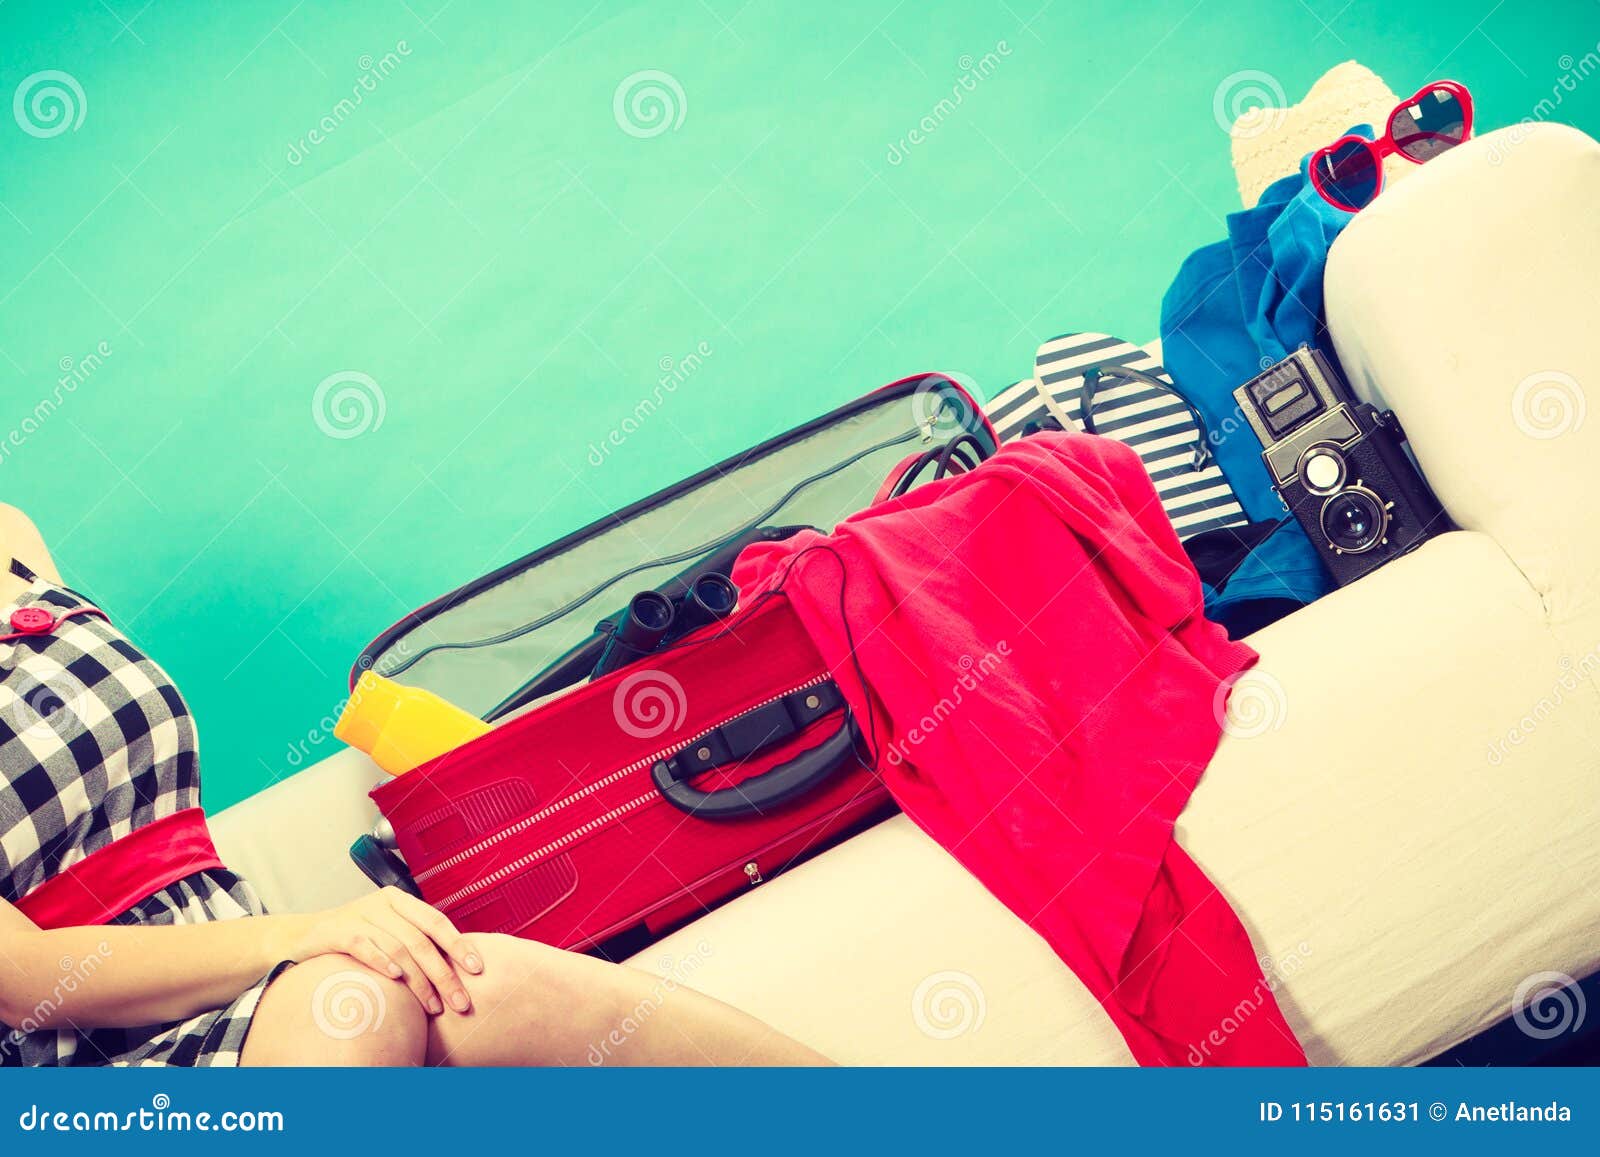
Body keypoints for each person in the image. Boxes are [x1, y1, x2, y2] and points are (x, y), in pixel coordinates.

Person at [0, 504, 829, 1067]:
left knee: (487, 982)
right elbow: (24, 978)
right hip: (73, 1070)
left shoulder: (14, 533)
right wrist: (310, 934)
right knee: (353, 1000)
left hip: (235, 974)